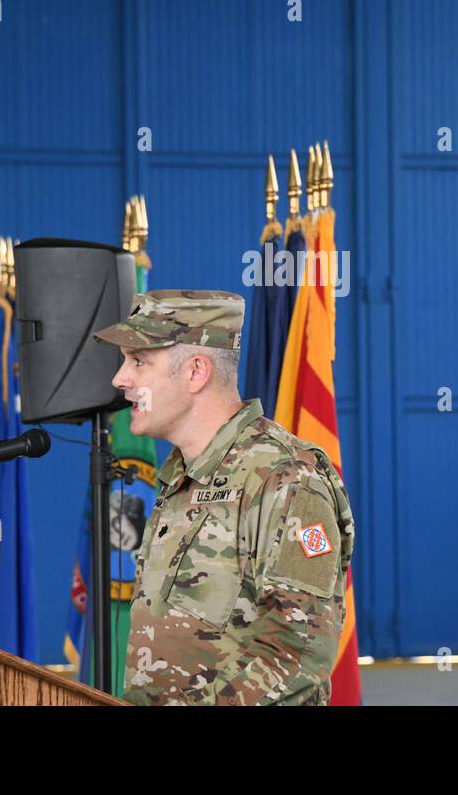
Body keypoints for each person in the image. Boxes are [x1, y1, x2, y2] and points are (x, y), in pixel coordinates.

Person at [93, 289, 353, 705]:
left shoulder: (285, 478)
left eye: (139, 361)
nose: (120, 379)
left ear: (197, 371)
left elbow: (295, 656)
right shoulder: (181, 478)